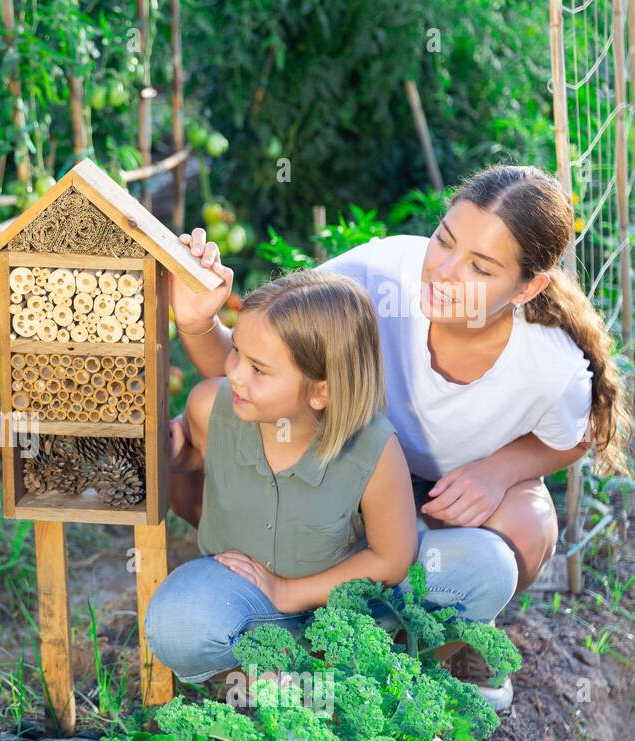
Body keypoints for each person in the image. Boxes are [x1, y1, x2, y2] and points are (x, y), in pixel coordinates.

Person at [164, 164, 631, 709]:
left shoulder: (549, 365)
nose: (445, 273)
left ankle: (450, 646)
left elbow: (572, 437)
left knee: (524, 529)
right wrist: (198, 322)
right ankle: (293, 614)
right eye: (445, 241)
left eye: (480, 268)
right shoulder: (379, 273)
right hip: (340, 475)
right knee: (191, 450)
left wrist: (498, 470)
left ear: (528, 287)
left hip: (441, 502)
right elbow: (265, 366)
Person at [145, 270, 416, 688]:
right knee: (177, 622)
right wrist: (173, 450)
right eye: (236, 351)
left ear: (320, 392)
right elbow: (188, 457)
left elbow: (392, 558)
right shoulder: (210, 406)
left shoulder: (373, 448)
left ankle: (312, 682)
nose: (233, 373)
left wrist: (289, 591)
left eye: (259, 369)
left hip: (334, 611)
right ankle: (261, 682)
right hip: (245, 600)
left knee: (450, 580)